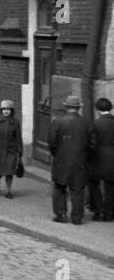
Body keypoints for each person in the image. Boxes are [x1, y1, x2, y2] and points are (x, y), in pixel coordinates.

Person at [48, 96, 92, 224]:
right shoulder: (87, 123)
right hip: (80, 161)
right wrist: (85, 156)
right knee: (77, 190)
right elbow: (93, 143)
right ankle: (77, 217)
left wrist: (56, 154)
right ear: (78, 108)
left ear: (66, 107)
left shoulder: (57, 122)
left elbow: (52, 142)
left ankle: (61, 214)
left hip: (61, 160)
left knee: (59, 187)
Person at [0, 100, 24, 199]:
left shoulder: (15, 122)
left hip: (11, 150)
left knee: (9, 171)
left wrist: (20, 150)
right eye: (4, 109)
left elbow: (18, 137)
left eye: (8, 109)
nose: (6, 111)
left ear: (12, 111)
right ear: (1, 110)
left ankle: (8, 191)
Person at [89, 98, 114, 222]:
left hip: (97, 159)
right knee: (111, 186)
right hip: (112, 161)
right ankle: (109, 213)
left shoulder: (95, 124)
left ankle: (98, 210)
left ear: (98, 110)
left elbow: (92, 143)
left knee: (94, 184)